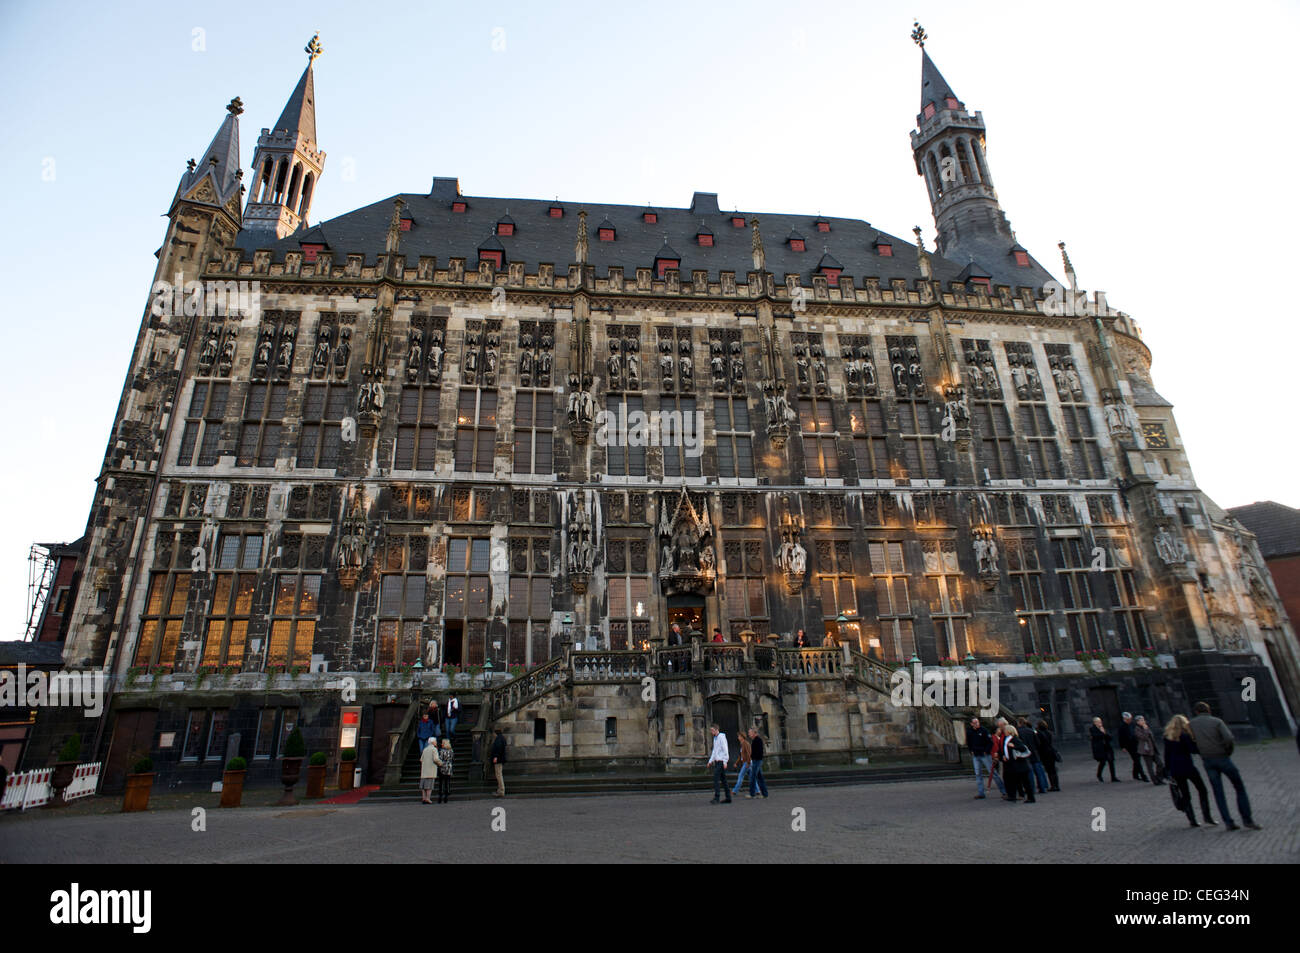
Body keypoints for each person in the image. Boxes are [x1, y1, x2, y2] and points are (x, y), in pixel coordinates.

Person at [1189, 701, 1261, 830]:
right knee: (1239, 787)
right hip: (1222, 757)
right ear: (1208, 710)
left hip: (1207, 760)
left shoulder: (1191, 724)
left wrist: (1200, 751)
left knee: (1218, 792)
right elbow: (1228, 738)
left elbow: (1190, 741)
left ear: (1196, 712)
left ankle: (1228, 822)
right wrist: (1227, 751)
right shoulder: (1217, 721)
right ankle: (1247, 819)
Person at [1163, 714, 1215, 827]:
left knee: (1185, 794)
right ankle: (1207, 816)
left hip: (1175, 769)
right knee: (1202, 790)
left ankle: (1192, 820)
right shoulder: (1185, 736)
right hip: (1188, 767)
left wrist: (1168, 770)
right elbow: (1193, 750)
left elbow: (1166, 755)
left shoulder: (1168, 737)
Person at [965, 716, 1001, 799]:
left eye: (977, 722)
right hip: (976, 755)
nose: (977, 724)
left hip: (984, 754)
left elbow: (990, 742)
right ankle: (981, 793)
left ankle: (1003, 791)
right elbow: (969, 742)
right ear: (971, 724)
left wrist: (986, 751)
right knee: (978, 774)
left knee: (993, 773)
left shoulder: (984, 730)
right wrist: (971, 751)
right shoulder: (969, 732)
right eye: (975, 723)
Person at [1001, 726, 1036, 803]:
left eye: (1006, 730)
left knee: (1025, 782)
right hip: (1013, 763)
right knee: (1014, 781)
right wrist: (1004, 756)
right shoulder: (1007, 739)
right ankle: (1013, 796)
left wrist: (1014, 746)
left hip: (1020, 764)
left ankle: (1030, 797)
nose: (1004, 732)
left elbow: (1023, 748)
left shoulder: (1015, 739)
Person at [1017, 717, 1049, 794]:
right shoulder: (1032, 731)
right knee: (1039, 772)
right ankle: (1043, 787)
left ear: (1019, 723)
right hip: (1034, 753)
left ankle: (1031, 789)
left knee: (1029, 773)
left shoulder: (1019, 732)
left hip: (1025, 754)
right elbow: (1038, 743)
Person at [1119, 712, 1149, 781]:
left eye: (1130, 719)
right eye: (1128, 719)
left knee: (1137, 760)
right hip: (1129, 746)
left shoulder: (1133, 725)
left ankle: (1135, 774)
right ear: (1125, 719)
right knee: (1137, 760)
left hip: (1136, 744)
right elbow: (1121, 738)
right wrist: (1123, 747)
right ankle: (1143, 775)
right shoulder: (1122, 727)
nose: (1130, 720)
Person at [1134, 715, 1164, 785]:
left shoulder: (1146, 727)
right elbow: (1144, 737)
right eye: (1141, 720)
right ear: (1137, 722)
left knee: (1160, 764)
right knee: (1150, 767)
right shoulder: (1137, 729)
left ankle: (1159, 778)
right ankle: (1155, 781)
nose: (1143, 721)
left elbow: (1151, 736)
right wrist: (1146, 730)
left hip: (1153, 748)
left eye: (1143, 720)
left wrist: (1146, 729)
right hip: (1146, 750)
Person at [706, 724, 732, 804]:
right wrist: (710, 761)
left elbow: (725, 749)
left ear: (716, 730)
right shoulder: (715, 738)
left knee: (716, 778)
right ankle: (728, 797)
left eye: (712, 730)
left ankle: (717, 797)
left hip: (721, 761)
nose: (711, 732)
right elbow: (714, 751)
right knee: (723, 780)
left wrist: (725, 761)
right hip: (717, 761)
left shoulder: (721, 737)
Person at [1090, 717, 1119, 782]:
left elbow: (1109, 737)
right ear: (1095, 723)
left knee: (1111, 761)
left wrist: (1105, 733)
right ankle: (1099, 774)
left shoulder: (1103, 728)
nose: (1100, 723)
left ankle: (1113, 777)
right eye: (1098, 722)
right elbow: (1096, 736)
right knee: (1102, 762)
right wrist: (1102, 733)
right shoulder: (1092, 729)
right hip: (1100, 748)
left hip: (1107, 747)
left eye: (1100, 721)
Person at [1035, 720, 1061, 791]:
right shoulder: (1049, 732)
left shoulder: (1039, 734)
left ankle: (1053, 786)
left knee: (1049, 770)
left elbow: (1039, 744)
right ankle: (1056, 785)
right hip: (1051, 751)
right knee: (1053, 770)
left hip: (1044, 753)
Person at [419, 732, 443, 804]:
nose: (436, 742)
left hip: (424, 771)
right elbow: (435, 759)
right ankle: (428, 798)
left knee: (423, 786)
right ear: (432, 742)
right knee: (429, 786)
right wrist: (441, 763)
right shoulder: (434, 749)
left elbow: (421, 759)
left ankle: (423, 798)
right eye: (435, 741)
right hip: (431, 770)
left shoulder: (425, 749)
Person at [990, 718, 1010, 799]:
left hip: (1007, 757)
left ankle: (1011, 793)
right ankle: (1008, 792)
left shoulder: (1006, 733)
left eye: (1000, 726)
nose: (999, 728)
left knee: (1007, 776)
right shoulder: (1001, 735)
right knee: (1005, 776)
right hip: (1002, 757)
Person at [747, 727, 769, 799]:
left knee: (753, 777)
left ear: (754, 733)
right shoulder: (755, 740)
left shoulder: (758, 740)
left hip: (757, 760)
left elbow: (759, 752)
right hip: (756, 760)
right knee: (760, 777)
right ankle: (765, 794)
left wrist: (753, 757)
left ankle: (752, 793)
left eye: (750, 733)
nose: (749, 734)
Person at [732, 727, 752, 796]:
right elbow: (741, 756)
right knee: (751, 777)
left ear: (742, 737)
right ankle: (757, 790)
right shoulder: (742, 744)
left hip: (747, 762)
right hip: (746, 762)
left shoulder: (745, 743)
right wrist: (736, 763)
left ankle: (735, 790)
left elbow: (749, 753)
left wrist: (748, 762)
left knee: (740, 776)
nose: (738, 737)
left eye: (739, 736)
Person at [490, 728, 507, 797]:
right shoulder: (501, 738)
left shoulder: (499, 739)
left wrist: (495, 757)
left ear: (495, 733)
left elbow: (498, 748)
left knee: (499, 775)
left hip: (498, 760)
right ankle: (500, 790)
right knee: (499, 774)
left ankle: (501, 791)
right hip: (500, 759)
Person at [436, 737, 453, 804]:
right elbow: (452, 758)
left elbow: (439, 759)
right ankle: (446, 796)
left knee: (441, 782)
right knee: (447, 782)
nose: (441, 744)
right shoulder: (451, 751)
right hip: (448, 767)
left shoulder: (441, 751)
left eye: (443, 743)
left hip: (442, 767)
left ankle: (440, 796)